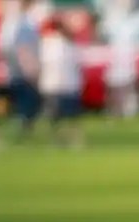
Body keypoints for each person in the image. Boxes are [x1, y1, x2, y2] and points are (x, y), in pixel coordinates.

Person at [0, 0, 41, 137]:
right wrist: (32, 70)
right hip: (22, 71)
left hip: (13, 70)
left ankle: (23, 130)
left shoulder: (10, 23)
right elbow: (24, 49)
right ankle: (24, 130)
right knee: (26, 104)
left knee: (21, 103)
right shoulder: (24, 24)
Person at [39, 16, 84, 147]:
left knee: (63, 116)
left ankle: (67, 139)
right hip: (60, 85)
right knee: (62, 116)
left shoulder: (63, 45)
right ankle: (66, 140)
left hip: (60, 85)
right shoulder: (54, 44)